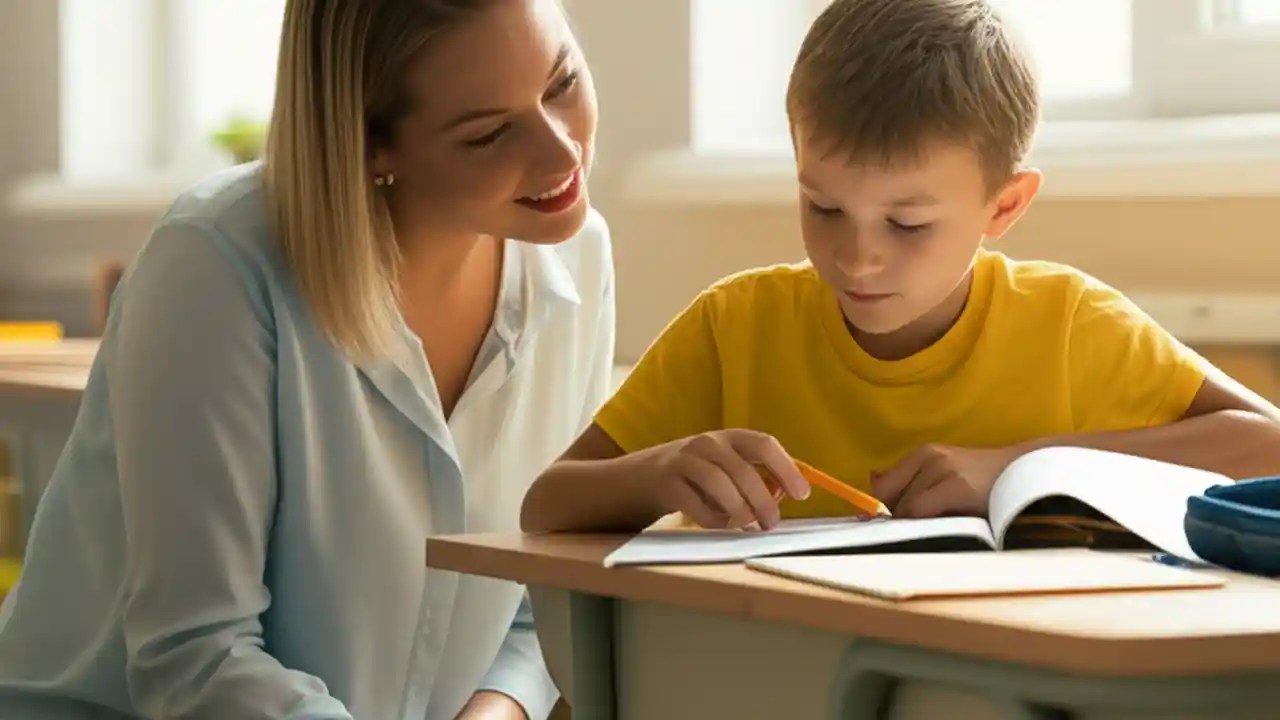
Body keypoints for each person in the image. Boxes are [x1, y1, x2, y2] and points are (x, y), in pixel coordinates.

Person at [0, 0, 612, 718]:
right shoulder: (215, 265)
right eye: (490, 133)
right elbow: (194, 656)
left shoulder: (576, 253)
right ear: (371, 145)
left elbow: (536, 594)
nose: (561, 152)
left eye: (561, 81)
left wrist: (497, 708)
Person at [521, 0, 1280, 536]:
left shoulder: (1069, 324)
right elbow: (546, 504)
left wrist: (1018, 467)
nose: (858, 256)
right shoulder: (735, 328)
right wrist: (655, 475)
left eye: (908, 222)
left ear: (1005, 207)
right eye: (822, 207)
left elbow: (1264, 442)